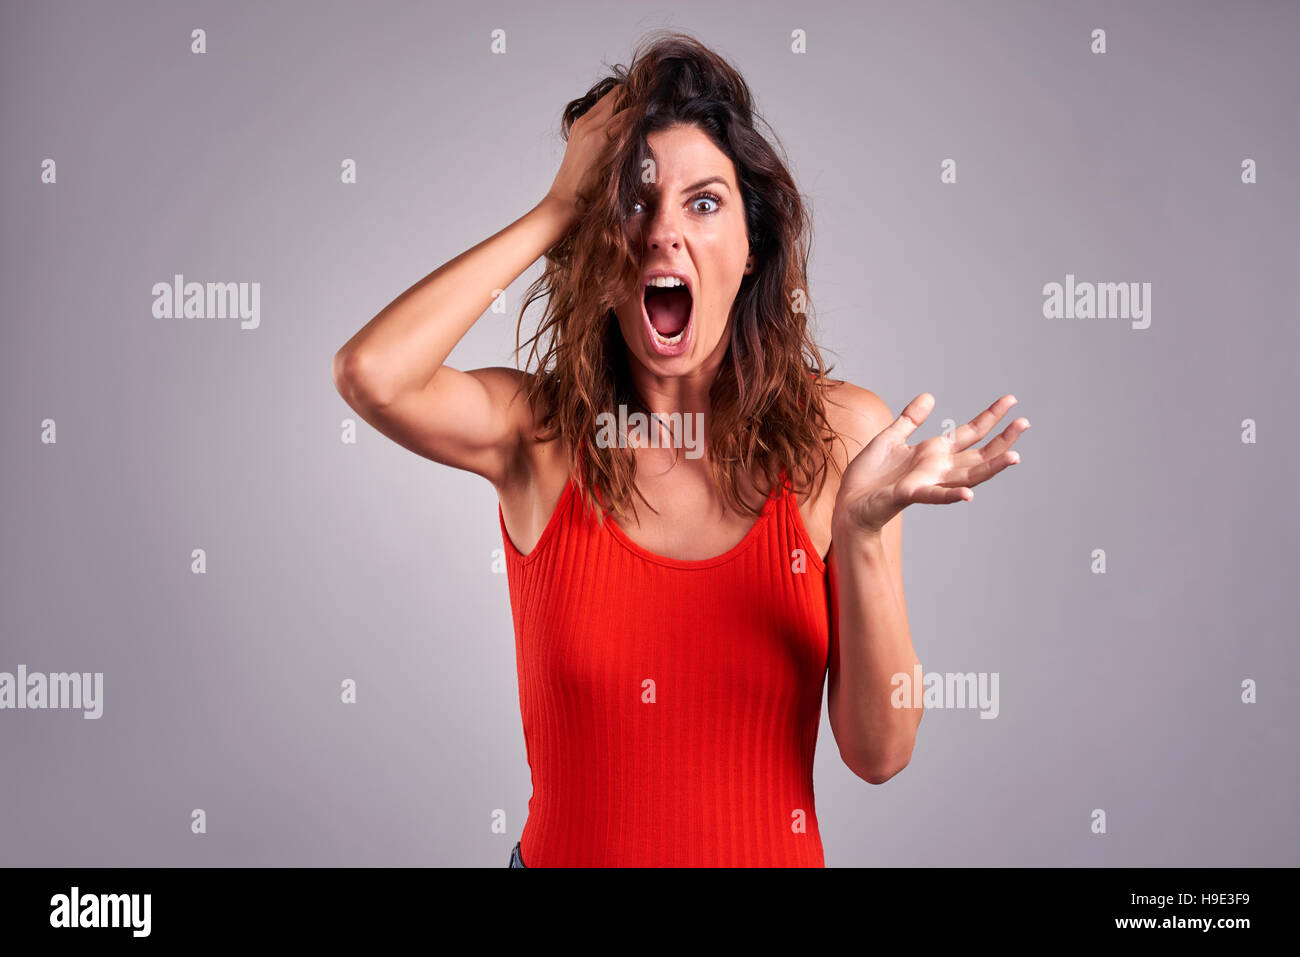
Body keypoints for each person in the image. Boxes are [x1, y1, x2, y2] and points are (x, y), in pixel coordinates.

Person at [331, 31, 1028, 867]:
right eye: (634, 201)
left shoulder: (843, 436)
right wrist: (559, 207)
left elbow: (880, 754)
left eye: (704, 204)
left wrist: (865, 532)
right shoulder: (538, 435)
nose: (666, 232)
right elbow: (371, 373)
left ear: (752, 248)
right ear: (600, 246)